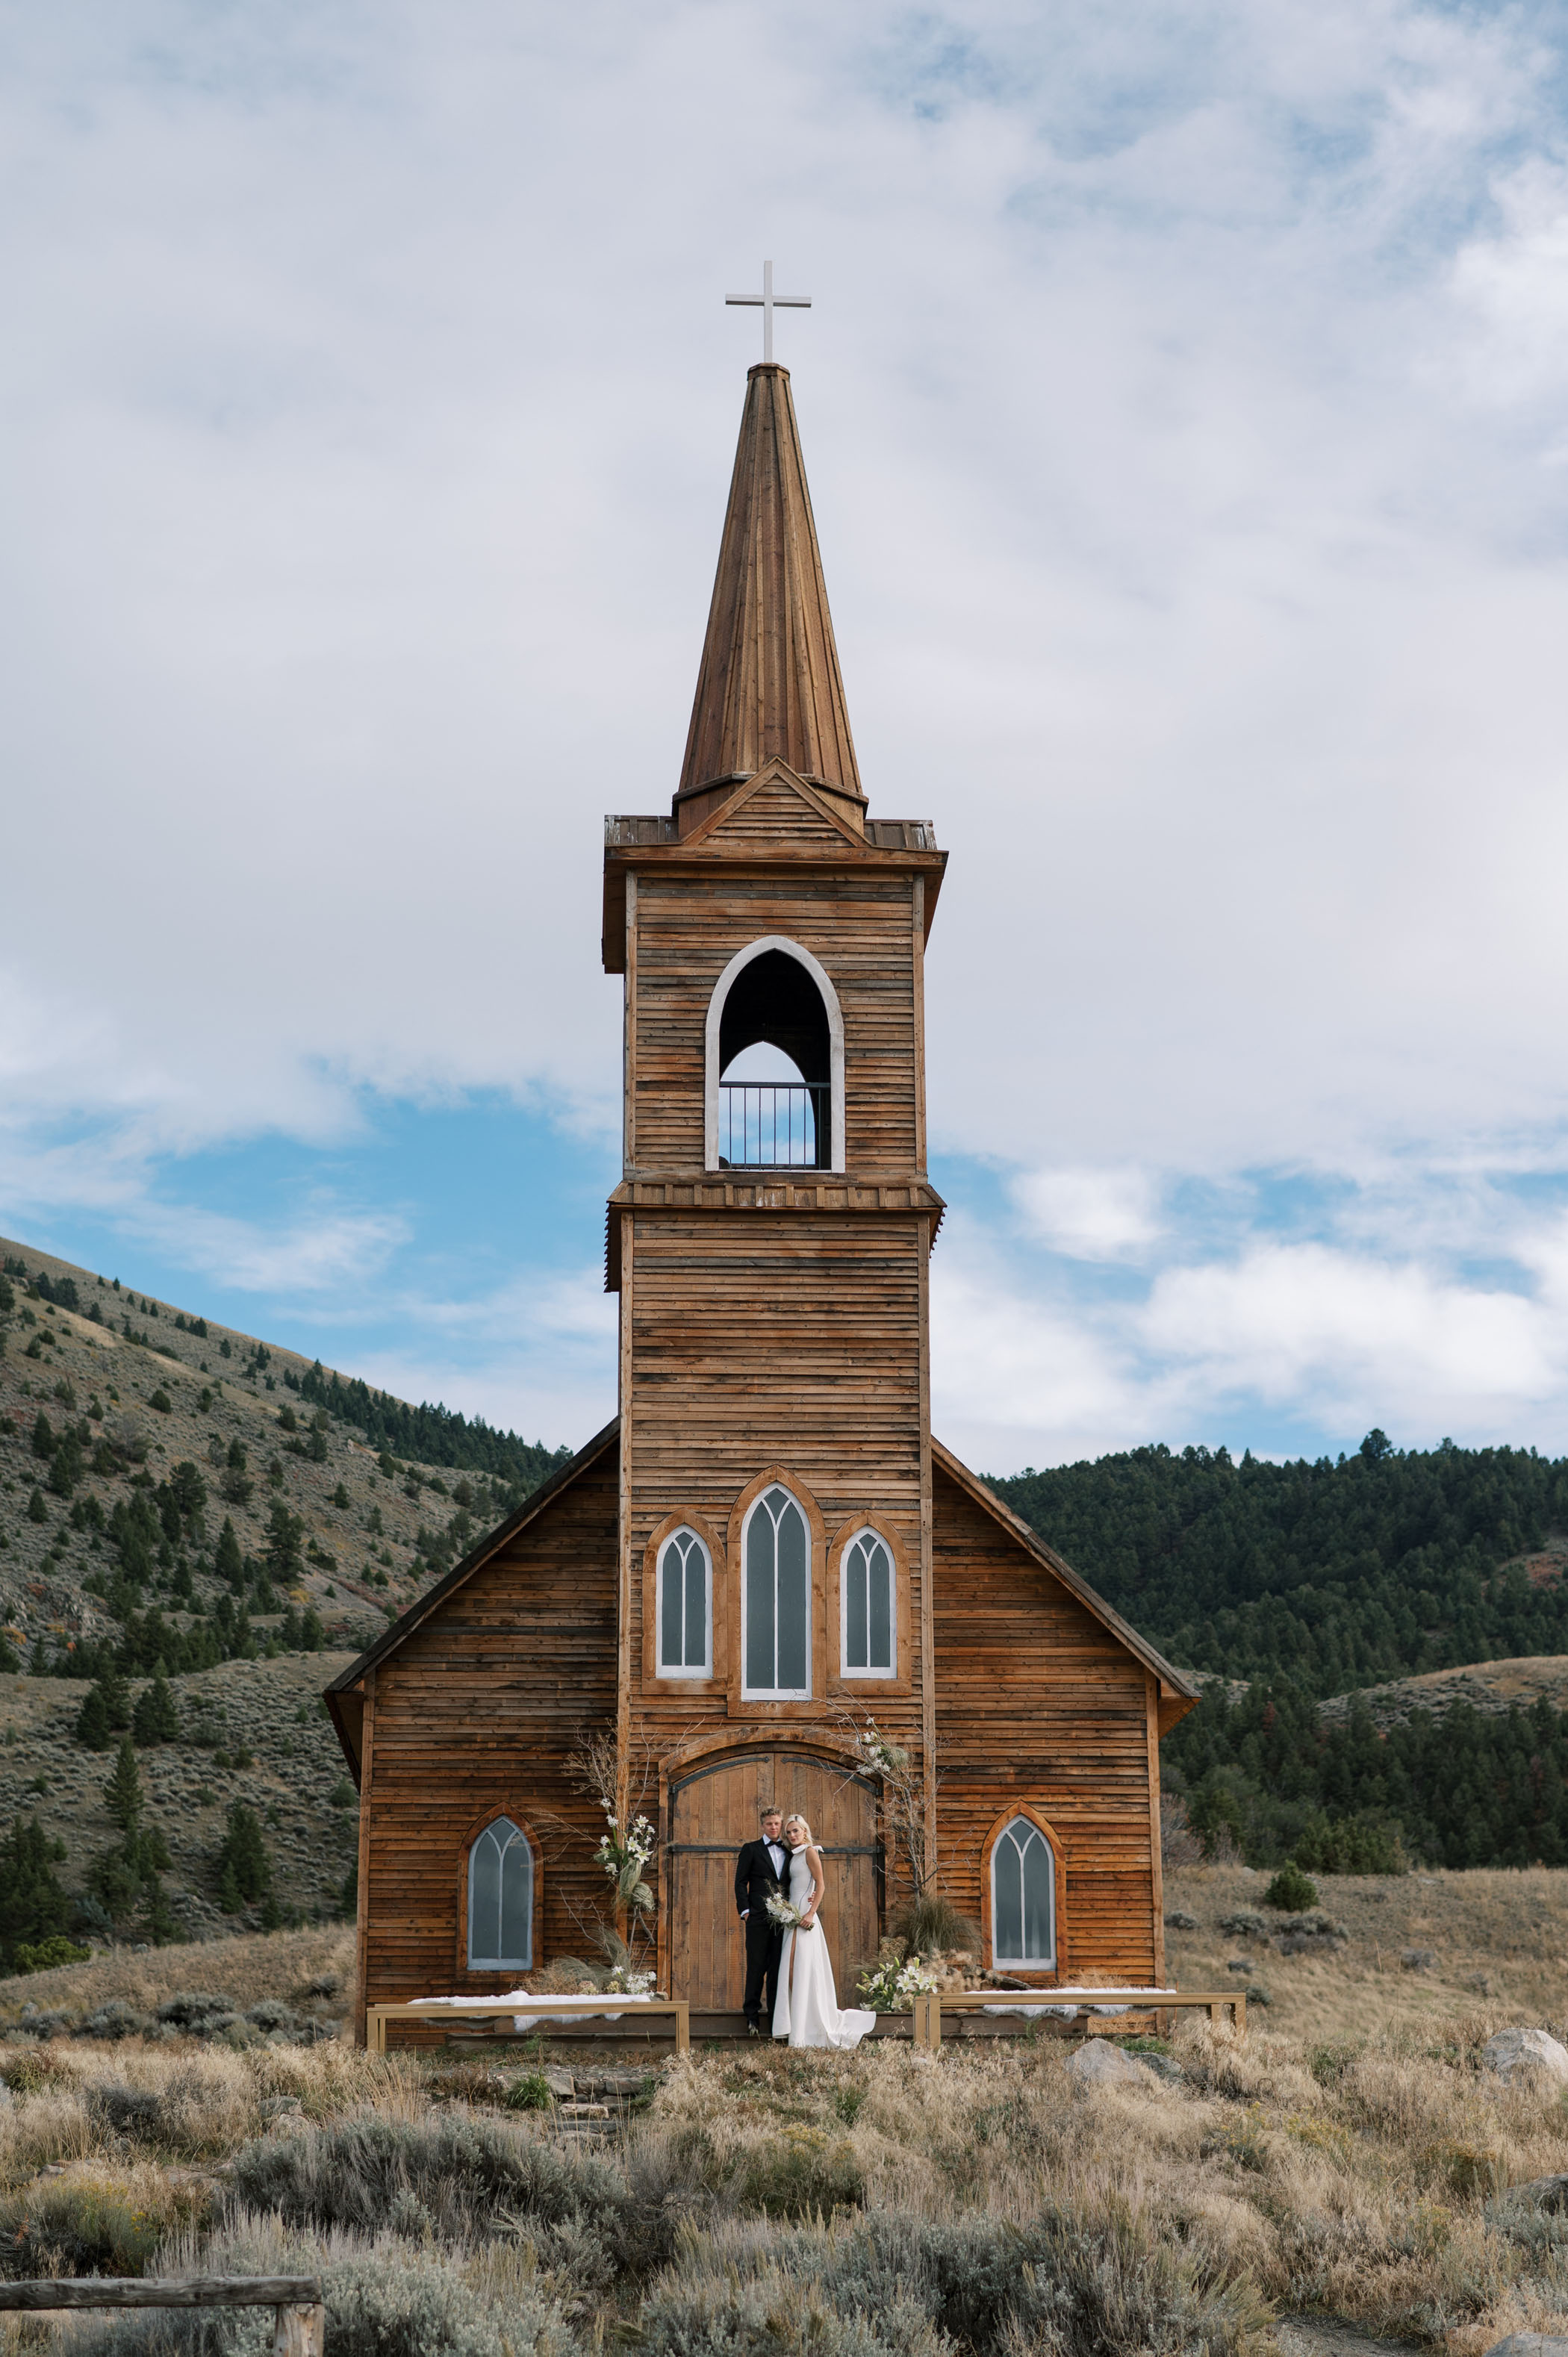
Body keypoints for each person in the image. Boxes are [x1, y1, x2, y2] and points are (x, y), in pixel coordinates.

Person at [771, 1813, 877, 2049]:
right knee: (792, 1971)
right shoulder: (794, 1855)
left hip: (805, 1918)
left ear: (805, 1831)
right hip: (793, 1917)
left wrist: (810, 1913)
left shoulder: (810, 1851)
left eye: (796, 1830)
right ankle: (795, 2026)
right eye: (789, 1832)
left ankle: (807, 2029)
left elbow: (821, 1884)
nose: (792, 1835)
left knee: (802, 1970)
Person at [734, 1803, 790, 2036]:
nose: (774, 1827)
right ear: (763, 1825)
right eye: (769, 1824)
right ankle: (752, 2017)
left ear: (782, 1824)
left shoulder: (791, 1850)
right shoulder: (751, 1849)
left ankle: (776, 2018)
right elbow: (740, 1882)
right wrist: (746, 1911)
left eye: (777, 1823)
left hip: (783, 1920)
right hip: (757, 1918)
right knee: (756, 1968)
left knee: (778, 1969)